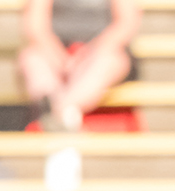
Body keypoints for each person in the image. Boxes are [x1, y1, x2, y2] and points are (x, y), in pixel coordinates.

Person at [19, 0, 139, 130]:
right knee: (32, 59)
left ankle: (56, 116)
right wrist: (61, 59)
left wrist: (87, 55)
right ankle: (65, 117)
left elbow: (125, 24)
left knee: (107, 61)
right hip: (56, 54)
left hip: (102, 52)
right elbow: (35, 25)